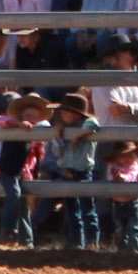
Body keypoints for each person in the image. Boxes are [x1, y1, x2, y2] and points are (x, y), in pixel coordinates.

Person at [90, 36, 138, 253]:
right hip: (112, 140)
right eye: (126, 51)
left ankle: (131, 240)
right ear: (114, 56)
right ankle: (109, 239)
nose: (132, 56)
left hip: (128, 140)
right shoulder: (106, 80)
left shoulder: (129, 78)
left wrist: (128, 107)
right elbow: (116, 108)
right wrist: (131, 108)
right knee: (109, 194)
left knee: (131, 192)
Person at [41, 91, 104, 249]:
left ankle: (91, 242)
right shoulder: (63, 128)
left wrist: (80, 134)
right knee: (71, 209)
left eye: (66, 111)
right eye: (62, 111)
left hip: (83, 171)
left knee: (87, 208)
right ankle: (76, 242)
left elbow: (94, 123)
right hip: (67, 170)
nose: (62, 113)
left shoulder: (87, 123)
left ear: (76, 113)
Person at [0, 92, 49, 246]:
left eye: (34, 116)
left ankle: (26, 240)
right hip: (7, 170)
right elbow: (0, 120)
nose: (31, 118)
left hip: (22, 173)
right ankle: (7, 231)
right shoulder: (10, 124)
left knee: (23, 205)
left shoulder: (38, 131)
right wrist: (18, 124)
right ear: (21, 115)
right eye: (27, 115)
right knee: (14, 196)